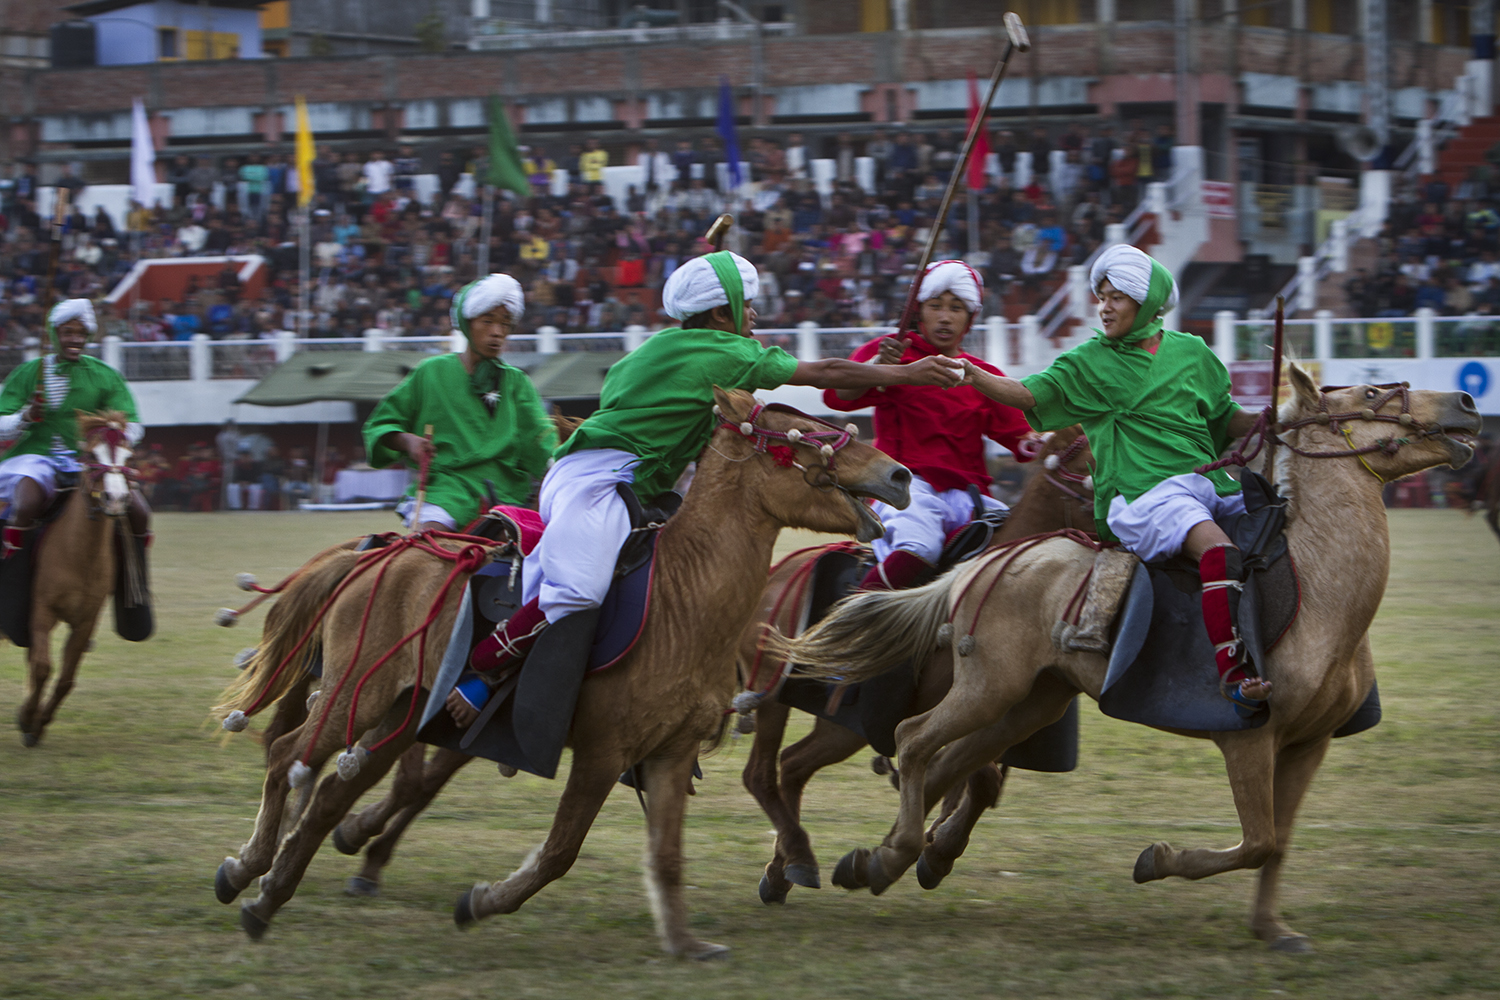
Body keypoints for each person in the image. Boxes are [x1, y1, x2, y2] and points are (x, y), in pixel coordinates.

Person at [450, 250, 965, 725]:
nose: (755, 317)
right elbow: (825, 371)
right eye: (748, 306)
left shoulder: (665, 348)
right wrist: (911, 373)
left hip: (639, 488)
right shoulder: (723, 353)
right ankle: (482, 671)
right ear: (720, 315)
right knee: (579, 589)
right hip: (596, 481)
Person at [958, 245, 1269, 715]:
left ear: (1149, 304)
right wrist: (972, 374)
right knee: (1219, 552)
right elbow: (1026, 394)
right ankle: (1232, 674)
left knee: (1280, 529)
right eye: (1101, 296)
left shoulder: (1194, 353)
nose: (1104, 306)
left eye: (1117, 297)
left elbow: (1224, 419)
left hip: (1209, 484)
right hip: (1145, 496)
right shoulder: (1088, 362)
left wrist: (1277, 420)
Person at [823, 261, 1036, 591]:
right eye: (935, 306)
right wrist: (880, 367)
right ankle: (852, 625)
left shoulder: (982, 373)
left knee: (1025, 553)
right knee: (920, 548)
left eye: (956, 308)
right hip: (907, 490)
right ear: (919, 312)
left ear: (970, 318)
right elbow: (837, 396)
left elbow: (1021, 437)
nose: (945, 317)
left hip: (971, 499)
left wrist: (1047, 441)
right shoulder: (893, 354)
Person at [363, 273, 555, 533]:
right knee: (428, 549)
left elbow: (541, 442)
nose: (497, 332)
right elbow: (382, 424)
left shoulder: (517, 382)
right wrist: (408, 441)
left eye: (505, 323)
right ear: (467, 324)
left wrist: (563, 466)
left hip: (506, 495)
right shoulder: (430, 372)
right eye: (487, 321)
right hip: (446, 490)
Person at [0, 300, 152, 626]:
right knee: (25, 501)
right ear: (55, 335)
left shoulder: (104, 376)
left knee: (139, 511)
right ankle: (12, 592)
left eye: (80, 334)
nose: (74, 339)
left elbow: (134, 423)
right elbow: (1, 420)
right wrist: (25, 415)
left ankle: (134, 594)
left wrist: (112, 432)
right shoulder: (30, 373)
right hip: (35, 458)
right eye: (67, 333)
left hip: (91, 462)